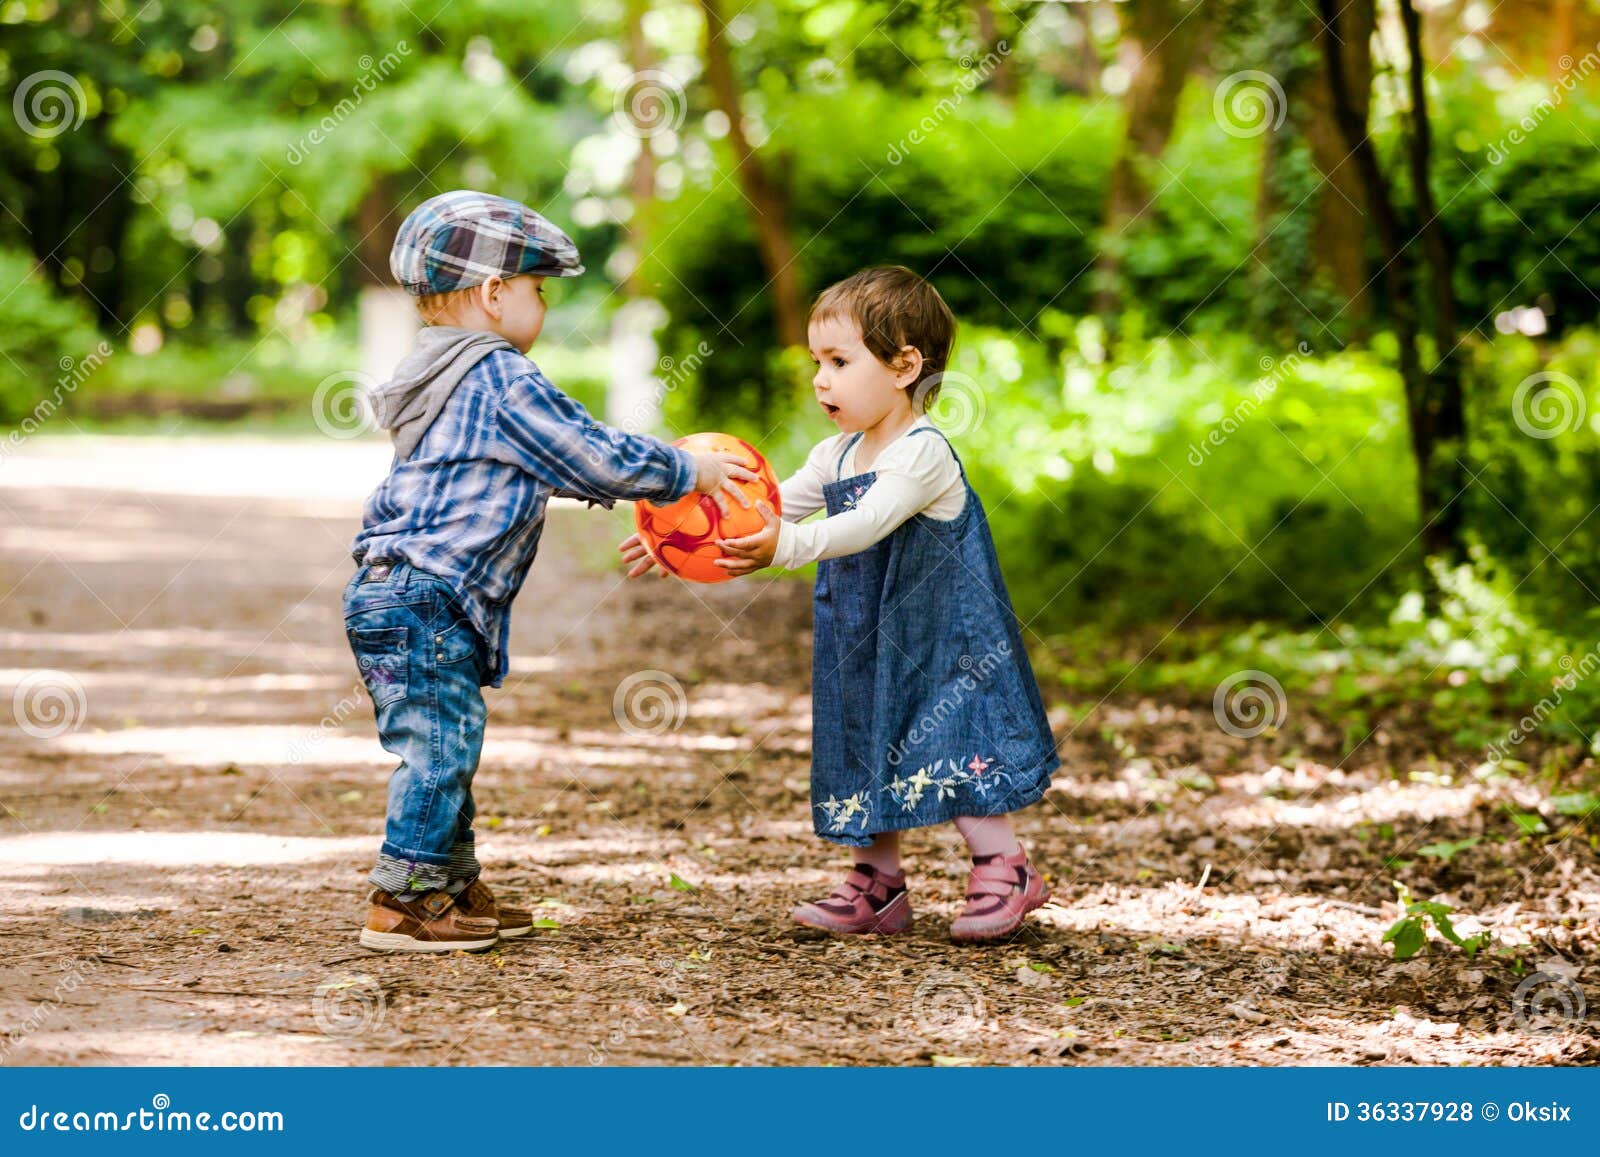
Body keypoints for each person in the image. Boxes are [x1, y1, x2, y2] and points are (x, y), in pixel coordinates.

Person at [347, 190, 754, 952]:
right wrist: (685, 471)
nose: (542, 304)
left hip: (400, 592)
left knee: (447, 740)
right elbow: (588, 448)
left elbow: (554, 467)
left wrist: (659, 528)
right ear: (495, 294)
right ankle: (403, 899)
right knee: (441, 746)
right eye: (538, 290)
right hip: (426, 594)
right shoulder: (498, 374)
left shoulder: (438, 369)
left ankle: (449, 879)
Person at [620, 266, 1059, 941]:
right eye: (816, 362)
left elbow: (866, 523)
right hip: (864, 634)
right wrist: (677, 539)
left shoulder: (923, 454)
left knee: (955, 738)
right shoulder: (836, 453)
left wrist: (787, 546)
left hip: (943, 640)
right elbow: (763, 509)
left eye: (839, 361)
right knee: (861, 738)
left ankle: (1003, 863)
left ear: (904, 365)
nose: (821, 378)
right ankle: (877, 883)